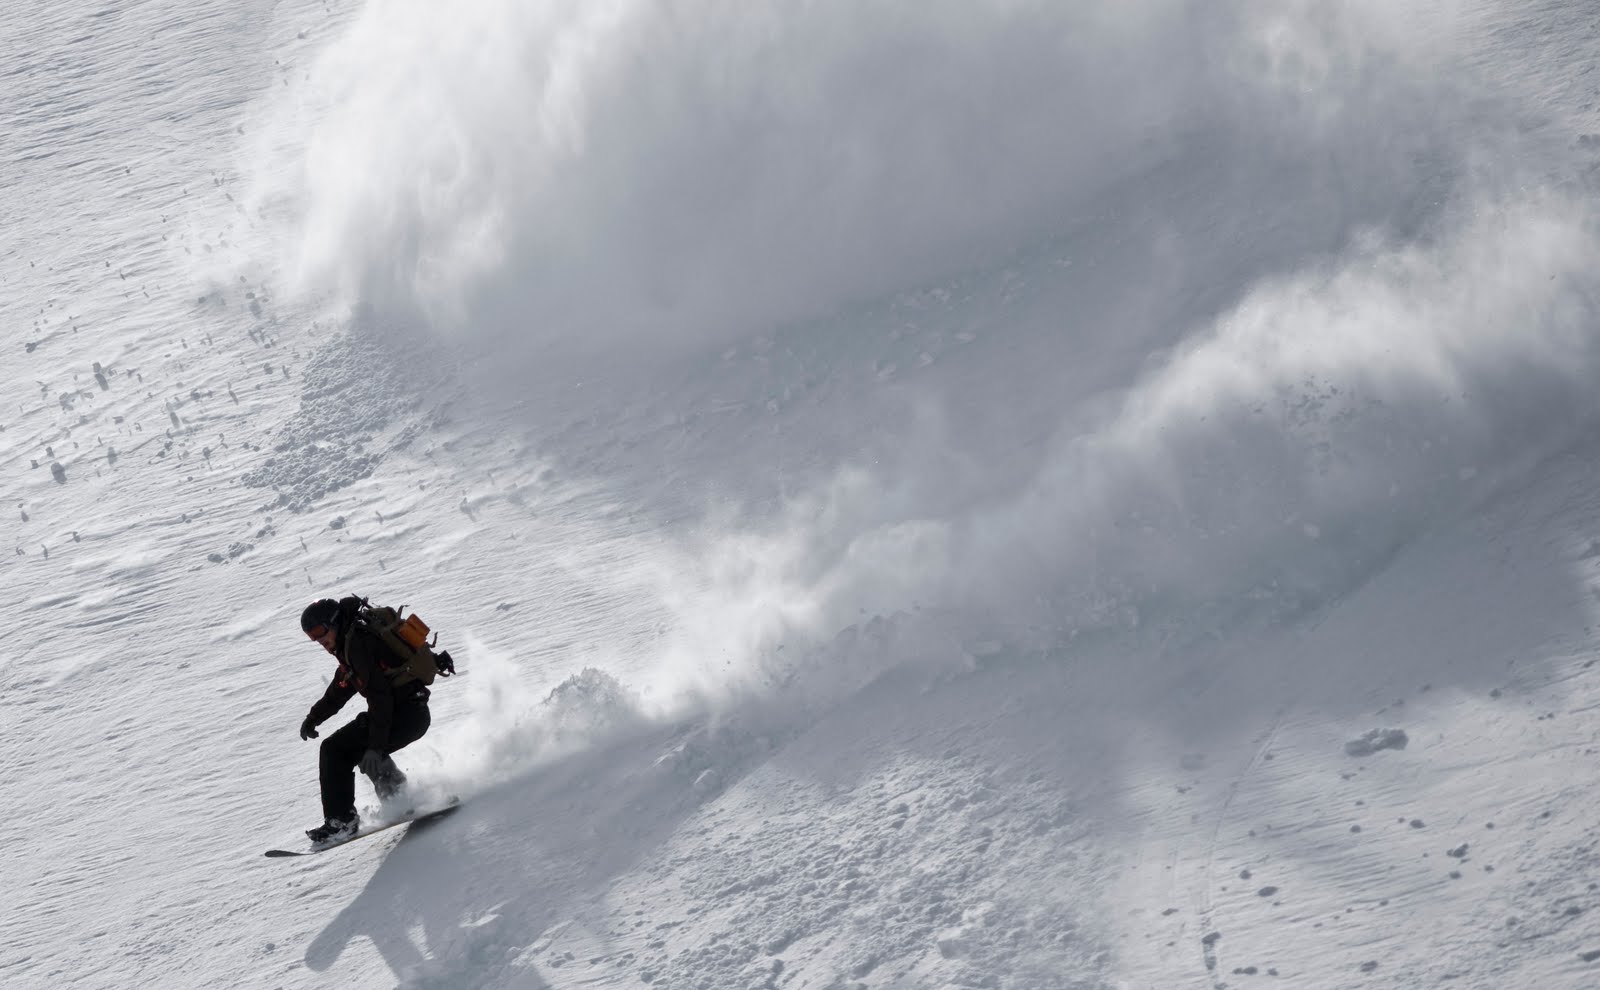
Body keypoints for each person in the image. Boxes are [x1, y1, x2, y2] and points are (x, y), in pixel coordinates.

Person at [297, 596, 432, 844]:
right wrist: (314, 717)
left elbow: (380, 698)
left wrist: (375, 747)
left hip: (405, 715)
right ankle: (399, 799)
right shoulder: (351, 642)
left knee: (335, 750)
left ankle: (341, 822)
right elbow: (342, 686)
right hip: (410, 713)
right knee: (354, 746)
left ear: (334, 622)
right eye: (311, 636)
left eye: (319, 631)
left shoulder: (358, 644)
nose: (318, 640)